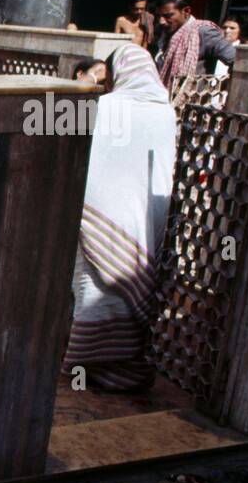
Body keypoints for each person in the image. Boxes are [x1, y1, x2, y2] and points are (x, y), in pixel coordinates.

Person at [61, 43, 176, 391]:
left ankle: (88, 364)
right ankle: (123, 367)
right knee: (130, 283)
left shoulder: (103, 107)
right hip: (143, 220)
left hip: (101, 211)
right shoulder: (166, 112)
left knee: (92, 285)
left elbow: (43, 121)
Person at [152, 0, 235, 87]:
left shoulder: (203, 32)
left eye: (168, 16)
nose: (161, 21)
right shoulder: (164, 33)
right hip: (162, 97)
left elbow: (236, 61)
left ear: (186, 11)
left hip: (190, 100)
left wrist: (224, 89)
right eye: (159, 16)